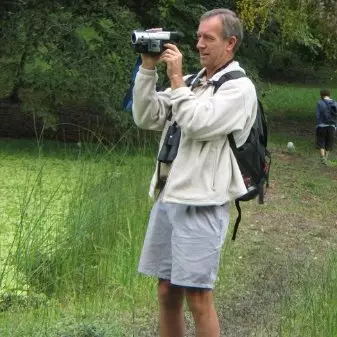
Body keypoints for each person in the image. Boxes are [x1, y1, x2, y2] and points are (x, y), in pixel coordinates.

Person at [132, 8, 257, 337]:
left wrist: (175, 81)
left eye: (208, 38)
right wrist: (148, 68)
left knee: (198, 298)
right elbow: (146, 117)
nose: (198, 43)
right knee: (166, 292)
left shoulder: (239, 89)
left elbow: (199, 124)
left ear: (230, 43)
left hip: (203, 203)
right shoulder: (191, 83)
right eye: (198, 36)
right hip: (169, 197)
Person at [315, 88, 337, 165]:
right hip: (332, 126)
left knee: (321, 140)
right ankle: (326, 158)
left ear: (321, 95)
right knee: (329, 142)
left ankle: (323, 158)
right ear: (329, 94)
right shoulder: (335, 103)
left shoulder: (320, 102)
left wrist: (317, 124)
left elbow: (317, 115)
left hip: (321, 125)